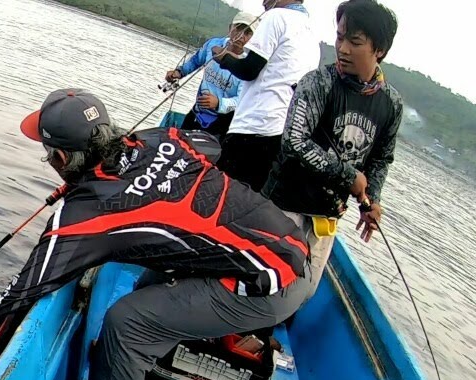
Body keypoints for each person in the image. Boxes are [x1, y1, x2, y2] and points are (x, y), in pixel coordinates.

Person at [0, 89, 314, 380]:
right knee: (148, 280)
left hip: (267, 287)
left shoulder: (85, 217)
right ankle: (126, 362)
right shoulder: (162, 138)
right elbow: (208, 145)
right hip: (294, 248)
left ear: (59, 159)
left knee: (125, 322)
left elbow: (15, 300)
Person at [263, 0, 402, 283]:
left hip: (326, 218)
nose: (343, 48)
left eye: (355, 41)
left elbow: (380, 159)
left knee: (304, 291)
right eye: (340, 38)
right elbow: (294, 141)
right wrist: (347, 175)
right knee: (267, 279)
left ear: (380, 50)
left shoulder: (391, 104)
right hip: (284, 206)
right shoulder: (317, 83)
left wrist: (372, 200)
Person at [212, 0, 321, 191]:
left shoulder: (276, 17)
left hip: (252, 127)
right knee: (246, 204)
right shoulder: (312, 34)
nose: (263, 1)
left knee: (219, 194)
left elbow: (249, 70)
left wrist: (224, 58)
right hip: (280, 135)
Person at [164, 12, 257, 137]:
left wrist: (218, 103)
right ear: (230, 28)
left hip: (222, 121)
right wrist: (179, 72)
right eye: (238, 29)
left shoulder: (249, 64)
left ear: (253, 37)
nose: (241, 36)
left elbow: (241, 101)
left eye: (247, 33)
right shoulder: (214, 44)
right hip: (197, 111)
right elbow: (196, 60)